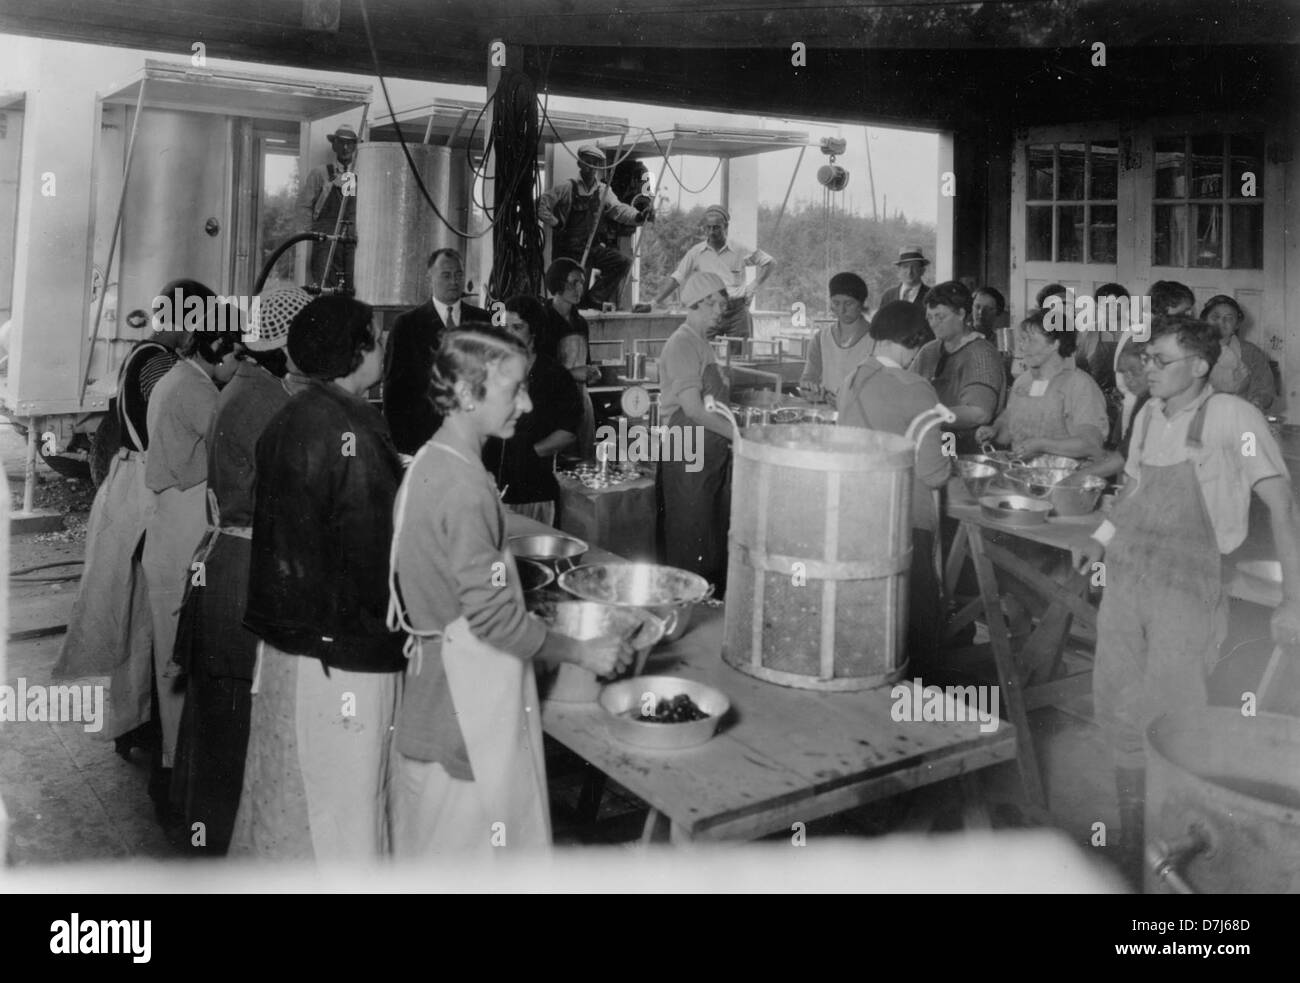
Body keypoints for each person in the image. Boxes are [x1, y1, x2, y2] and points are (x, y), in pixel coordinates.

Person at [387, 326, 632, 858]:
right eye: (514, 388)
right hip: (464, 707)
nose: (526, 403)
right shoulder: (466, 486)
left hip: (436, 690)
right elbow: (494, 622)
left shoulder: (432, 459)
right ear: (470, 393)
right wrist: (582, 651)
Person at [1073, 314, 1300, 884]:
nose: (1146, 368)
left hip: (1188, 585)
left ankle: (1175, 845)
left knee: (1172, 716)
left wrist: (1293, 602)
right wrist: (1100, 539)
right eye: (1146, 358)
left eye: (1160, 360)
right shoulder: (1148, 414)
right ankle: (1132, 849)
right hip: (1128, 576)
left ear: (1199, 367)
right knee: (1117, 705)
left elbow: (1281, 507)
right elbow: (1135, 489)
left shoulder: (1234, 417)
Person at [231, 296, 406, 861]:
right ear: (354, 351)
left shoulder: (290, 415)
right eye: (375, 338)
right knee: (347, 819)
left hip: (290, 651)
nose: (382, 346)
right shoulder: (357, 427)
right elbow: (375, 557)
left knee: (287, 808)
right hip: (343, 661)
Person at [169, 287, 313, 855]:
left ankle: (202, 824)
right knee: (234, 714)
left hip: (225, 560)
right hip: (243, 568)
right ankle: (223, 840)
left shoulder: (247, 386)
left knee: (217, 710)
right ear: (288, 345)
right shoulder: (267, 403)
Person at [52, 286, 187, 760]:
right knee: (145, 614)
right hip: (143, 491)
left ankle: (132, 725)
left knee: (131, 612)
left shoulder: (140, 355)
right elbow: (174, 420)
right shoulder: (159, 363)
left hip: (128, 483)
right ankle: (141, 729)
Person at [140, 296, 240, 805]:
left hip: (169, 521)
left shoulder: (177, 378)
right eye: (233, 353)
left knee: (170, 658)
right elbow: (233, 448)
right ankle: (179, 780)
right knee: (179, 659)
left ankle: (172, 770)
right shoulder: (199, 392)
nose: (236, 363)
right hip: (182, 524)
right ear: (215, 346)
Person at [838, 301, 951, 663]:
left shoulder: (853, 376)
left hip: (857, 517)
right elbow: (934, 472)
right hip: (904, 522)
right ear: (915, 342)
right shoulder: (916, 387)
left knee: (869, 622)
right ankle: (918, 707)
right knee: (916, 626)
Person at [657, 272, 735, 590]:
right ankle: (687, 609)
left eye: (722, 304)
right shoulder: (683, 343)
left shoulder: (702, 342)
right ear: (696, 303)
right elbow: (693, 409)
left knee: (708, 530)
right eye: (714, 304)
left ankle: (705, 607)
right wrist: (739, 436)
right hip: (687, 444)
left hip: (707, 449)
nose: (720, 311)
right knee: (690, 530)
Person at [484, 295, 583, 526]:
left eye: (517, 327)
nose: (509, 334)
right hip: (489, 489)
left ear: (534, 332)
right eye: (505, 327)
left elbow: (568, 430)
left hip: (534, 491)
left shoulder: (554, 375)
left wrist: (530, 453)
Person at [382, 247, 490, 455]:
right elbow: (394, 391)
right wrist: (401, 446)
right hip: (424, 440)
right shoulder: (407, 325)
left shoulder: (483, 322)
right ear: (429, 277)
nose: (454, 281)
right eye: (446, 275)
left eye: (458, 274)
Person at [975, 309, 1109, 464]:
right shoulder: (1022, 382)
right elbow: (1009, 428)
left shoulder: (1080, 385)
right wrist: (994, 430)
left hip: (1066, 479)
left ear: (1054, 344)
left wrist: (1042, 445)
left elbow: (1091, 444)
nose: (1022, 347)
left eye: (1030, 340)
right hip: (1022, 473)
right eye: (1021, 340)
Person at [537, 145, 648, 309]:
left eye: (595, 164)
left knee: (622, 262)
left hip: (591, 247)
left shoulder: (603, 190)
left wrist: (638, 216)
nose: (590, 168)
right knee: (571, 289)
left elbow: (618, 209)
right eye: (587, 162)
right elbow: (541, 205)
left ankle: (594, 298)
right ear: (580, 164)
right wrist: (556, 223)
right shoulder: (567, 187)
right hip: (569, 250)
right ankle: (572, 309)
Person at [652, 204, 776, 338]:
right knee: (702, 354)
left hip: (737, 313)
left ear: (726, 227)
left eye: (716, 227)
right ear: (705, 228)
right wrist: (654, 303)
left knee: (740, 356)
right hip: (708, 312)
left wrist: (753, 286)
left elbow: (769, 262)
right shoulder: (696, 253)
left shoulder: (739, 250)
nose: (712, 232)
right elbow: (677, 278)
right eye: (708, 227)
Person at [913, 281, 1005, 455]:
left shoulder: (981, 353)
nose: (933, 323)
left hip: (967, 450)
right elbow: (908, 388)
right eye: (930, 317)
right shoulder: (929, 350)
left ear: (962, 314)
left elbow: (979, 413)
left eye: (940, 317)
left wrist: (927, 416)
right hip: (935, 443)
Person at [541, 257, 600, 457]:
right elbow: (540, 369)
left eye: (581, 283)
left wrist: (592, 372)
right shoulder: (543, 319)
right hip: (553, 404)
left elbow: (587, 360)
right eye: (573, 282)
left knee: (584, 458)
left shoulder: (581, 322)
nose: (579, 288)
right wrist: (572, 373)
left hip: (582, 401)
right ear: (557, 283)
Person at [297, 124, 360, 292]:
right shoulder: (320, 173)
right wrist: (312, 234)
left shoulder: (360, 174)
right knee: (324, 284)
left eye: (350, 143)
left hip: (351, 238)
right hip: (326, 235)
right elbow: (304, 206)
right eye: (341, 143)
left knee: (350, 287)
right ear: (334, 145)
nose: (346, 147)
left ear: (355, 146)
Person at [799, 272, 875, 405]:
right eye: (836, 303)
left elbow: (881, 388)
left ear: (862, 303)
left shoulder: (876, 339)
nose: (842, 310)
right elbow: (808, 379)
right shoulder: (820, 338)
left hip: (860, 416)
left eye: (849, 303)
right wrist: (810, 390)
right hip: (827, 415)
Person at [1202, 294, 1275, 411]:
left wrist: (1255, 405)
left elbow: (1264, 390)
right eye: (1215, 317)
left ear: (1237, 325)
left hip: (1240, 416)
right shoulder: (1191, 349)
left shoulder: (1251, 352)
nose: (1221, 322)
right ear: (1205, 320)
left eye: (1229, 318)